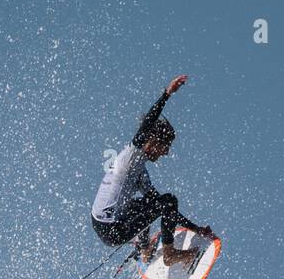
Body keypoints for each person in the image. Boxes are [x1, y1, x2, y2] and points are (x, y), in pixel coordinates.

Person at [90, 75, 214, 266]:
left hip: (104, 222)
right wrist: (166, 94)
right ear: (153, 140)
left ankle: (144, 247)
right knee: (167, 200)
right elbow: (147, 124)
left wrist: (195, 228)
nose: (166, 152)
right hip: (112, 229)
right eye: (165, 146)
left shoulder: (140, 170)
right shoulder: (131, 156)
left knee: (152, 202)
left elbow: (164, 209)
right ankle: (170, 255)